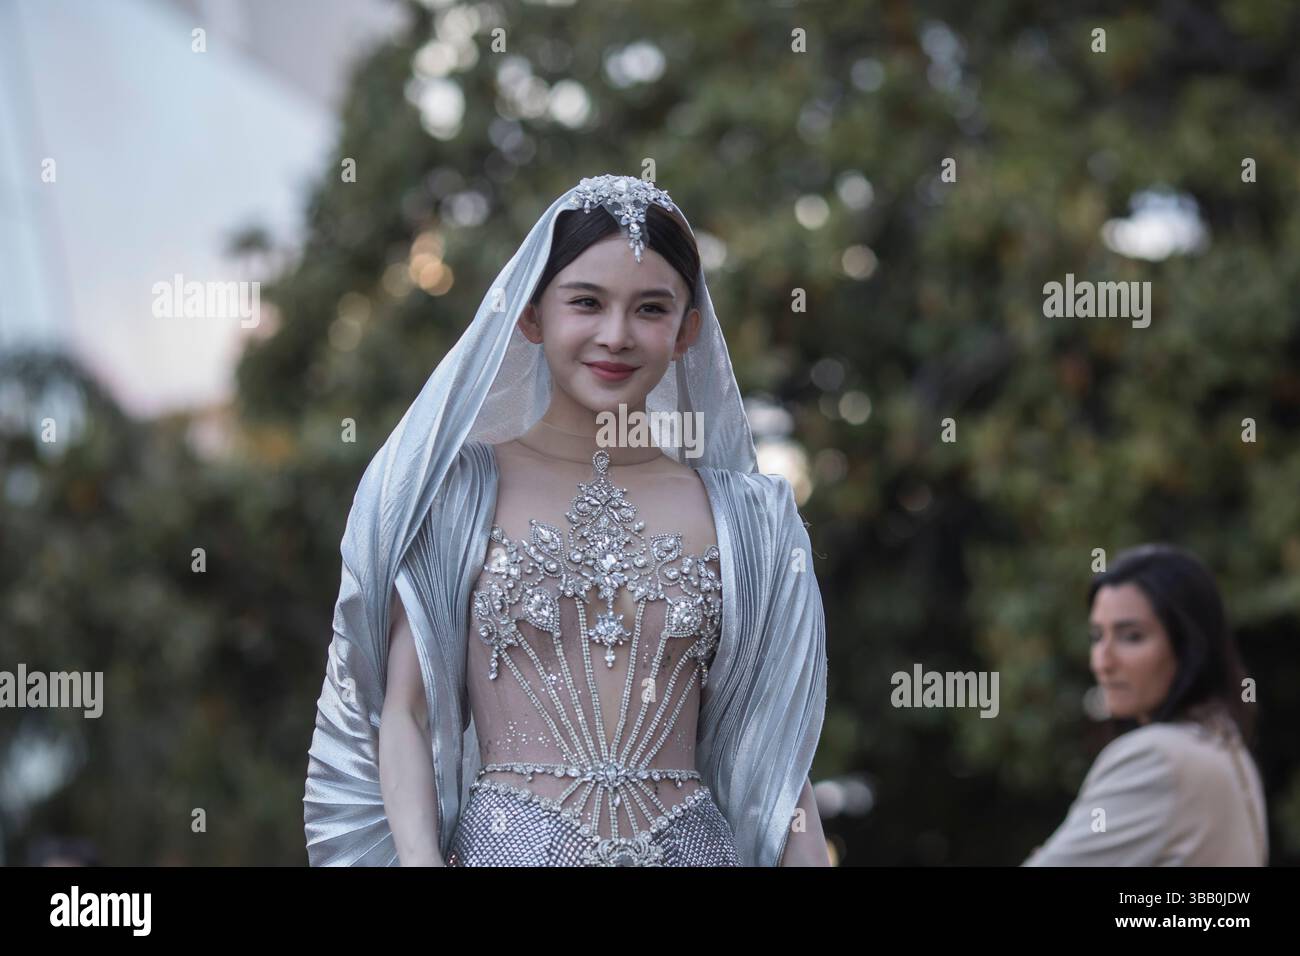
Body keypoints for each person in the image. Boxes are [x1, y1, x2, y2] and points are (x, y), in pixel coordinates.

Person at [304, 174, 829, 866]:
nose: (615, 335)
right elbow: (404, 712)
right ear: (530, 315)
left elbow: (782, 753)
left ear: (686, 331)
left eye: (650, 309)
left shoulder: (752, 521)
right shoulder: (459, 494)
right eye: (586, 303)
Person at [1024, 544, 1267, 866]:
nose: (1103, 661)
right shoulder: (1226, 747)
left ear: (1188, 648)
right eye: (1097, 637)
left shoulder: (1157, 758)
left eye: (1131, 636)